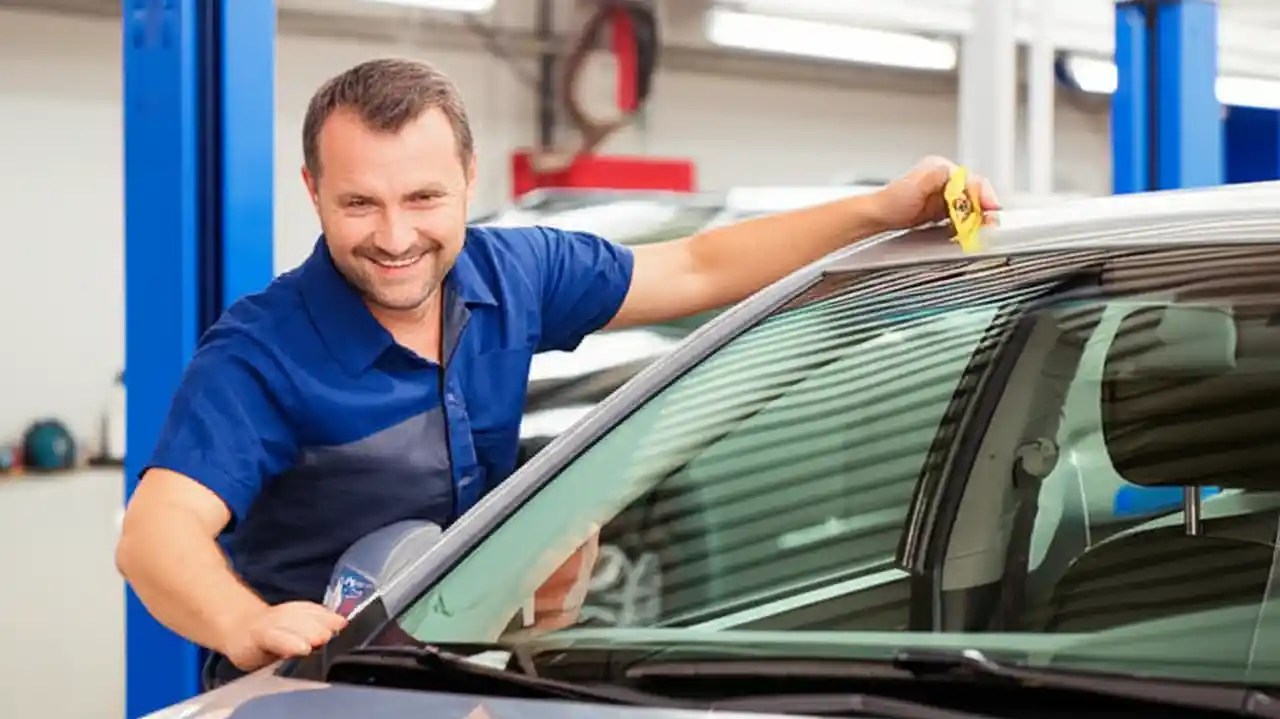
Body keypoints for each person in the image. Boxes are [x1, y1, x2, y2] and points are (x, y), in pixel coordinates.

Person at [115, 57, 1000, 684]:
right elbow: (153, 538)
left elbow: (693, 268)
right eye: (360, 203)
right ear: (314, 192)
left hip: (463, 678)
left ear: (468, 178)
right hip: (311, 693)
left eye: (423, 197)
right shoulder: (263, 351)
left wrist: (874, 213)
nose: (393, 237)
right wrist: (247, 623)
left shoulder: (512, 274)